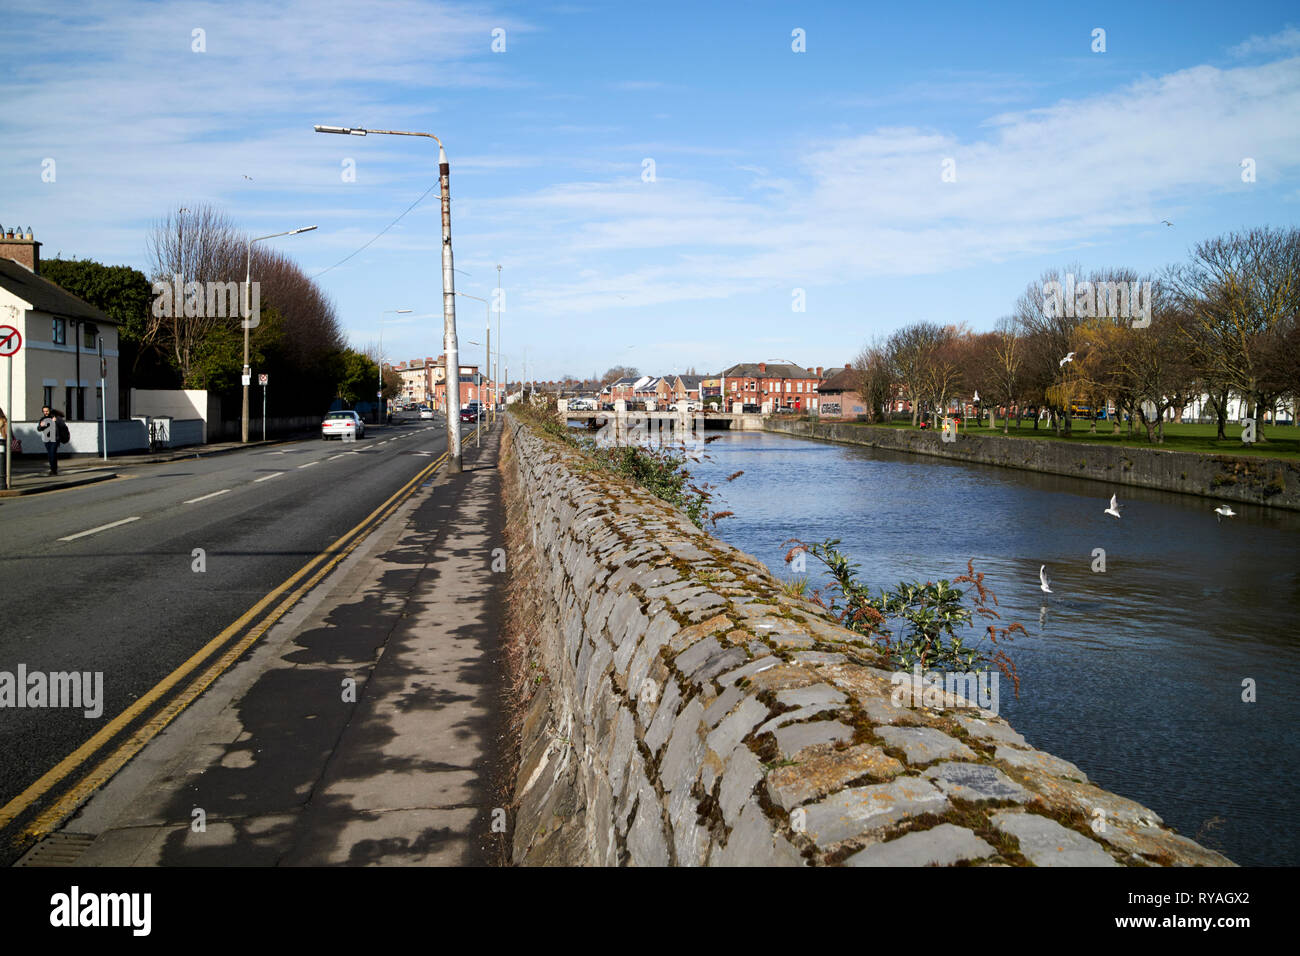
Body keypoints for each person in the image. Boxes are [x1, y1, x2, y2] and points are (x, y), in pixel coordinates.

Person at [36, 405, 60, 475]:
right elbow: (39, 429)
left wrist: (54, 422)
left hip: (54, 438)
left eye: (47, 411)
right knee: (50, 455)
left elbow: (60, 426)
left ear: (50, 411)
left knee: (52, 453)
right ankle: (53, 469)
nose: (45, 412)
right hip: (47, 439)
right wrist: (41, 426)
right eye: (44, 411)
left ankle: (53, 470)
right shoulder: (42, 419)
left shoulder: (54, 418)